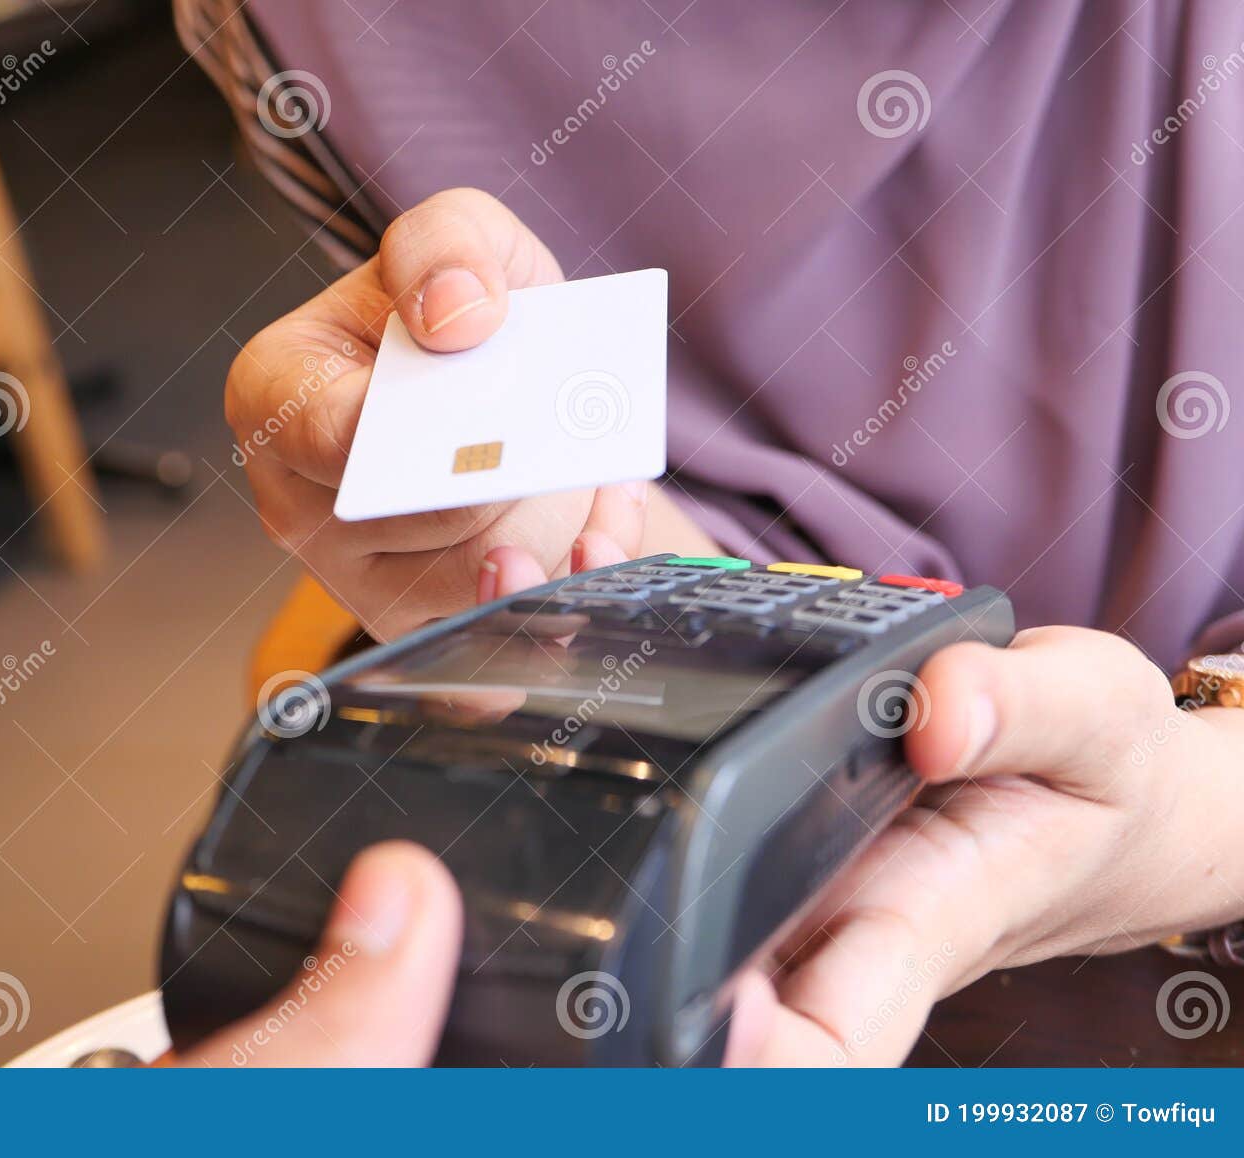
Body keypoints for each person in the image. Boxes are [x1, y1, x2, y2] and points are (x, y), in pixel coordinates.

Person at [170, 1, 1244, 1065]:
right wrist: (526, 517)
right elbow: (622, 527)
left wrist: (1199, 811)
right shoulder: (290, 28)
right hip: (717, 876)